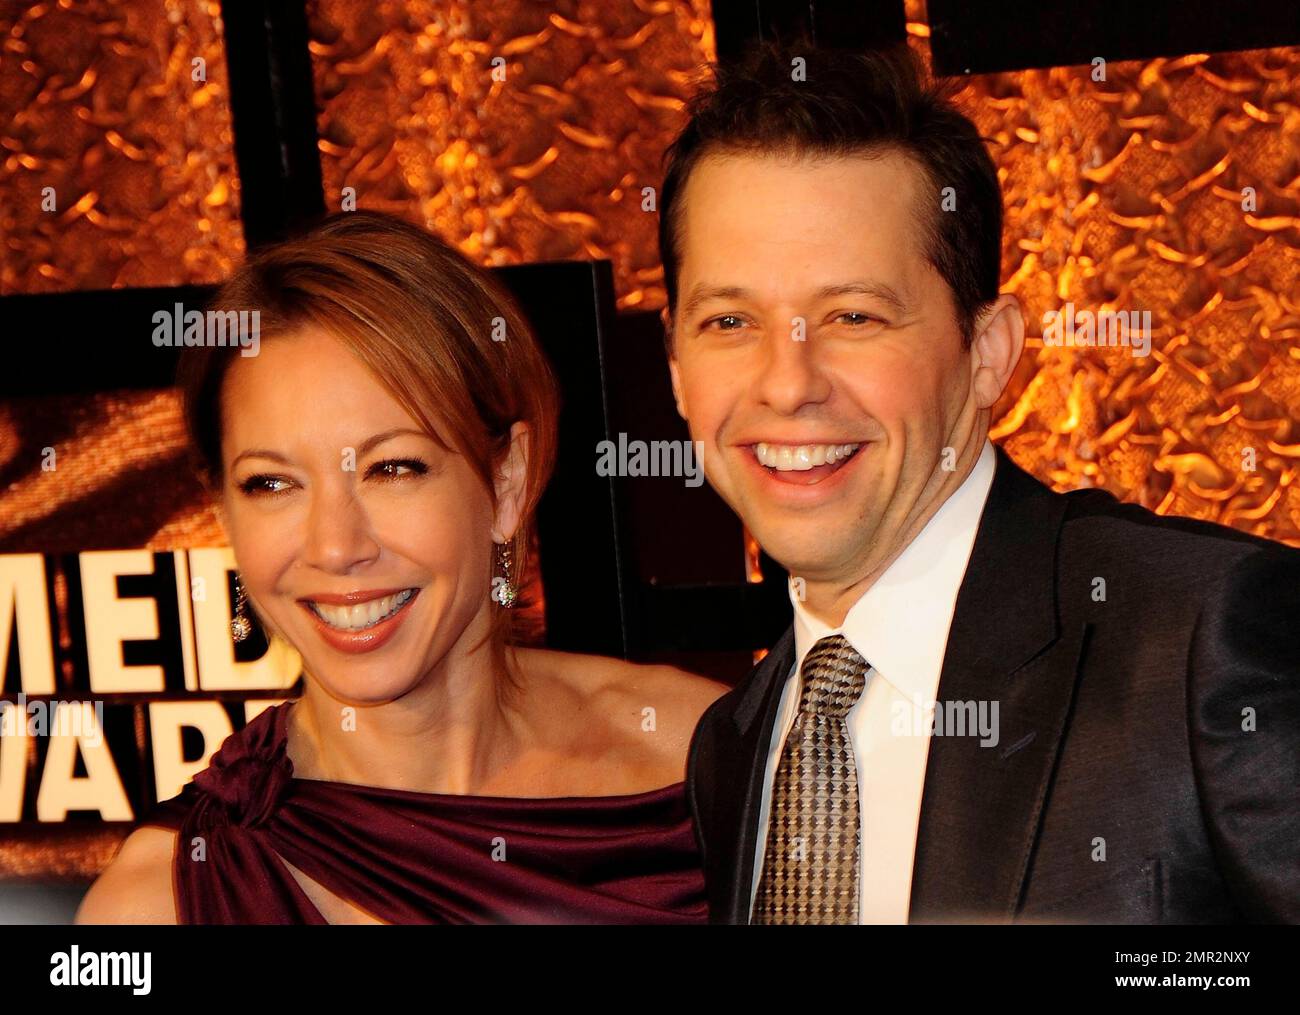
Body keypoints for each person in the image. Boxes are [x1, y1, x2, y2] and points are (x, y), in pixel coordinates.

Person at [660, 41, 1300, 923]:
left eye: (855, 315)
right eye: (729, 320)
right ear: (676, 366)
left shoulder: (1199, 639)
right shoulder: (730, 749)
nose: (787, 383)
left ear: (987, 353)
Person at [75, 211, 727, 924]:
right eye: (271, 483)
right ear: (224, 510)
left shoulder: (707, 762)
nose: (334, 545)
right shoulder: (162, 901)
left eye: (392, 467)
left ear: (506, 482)